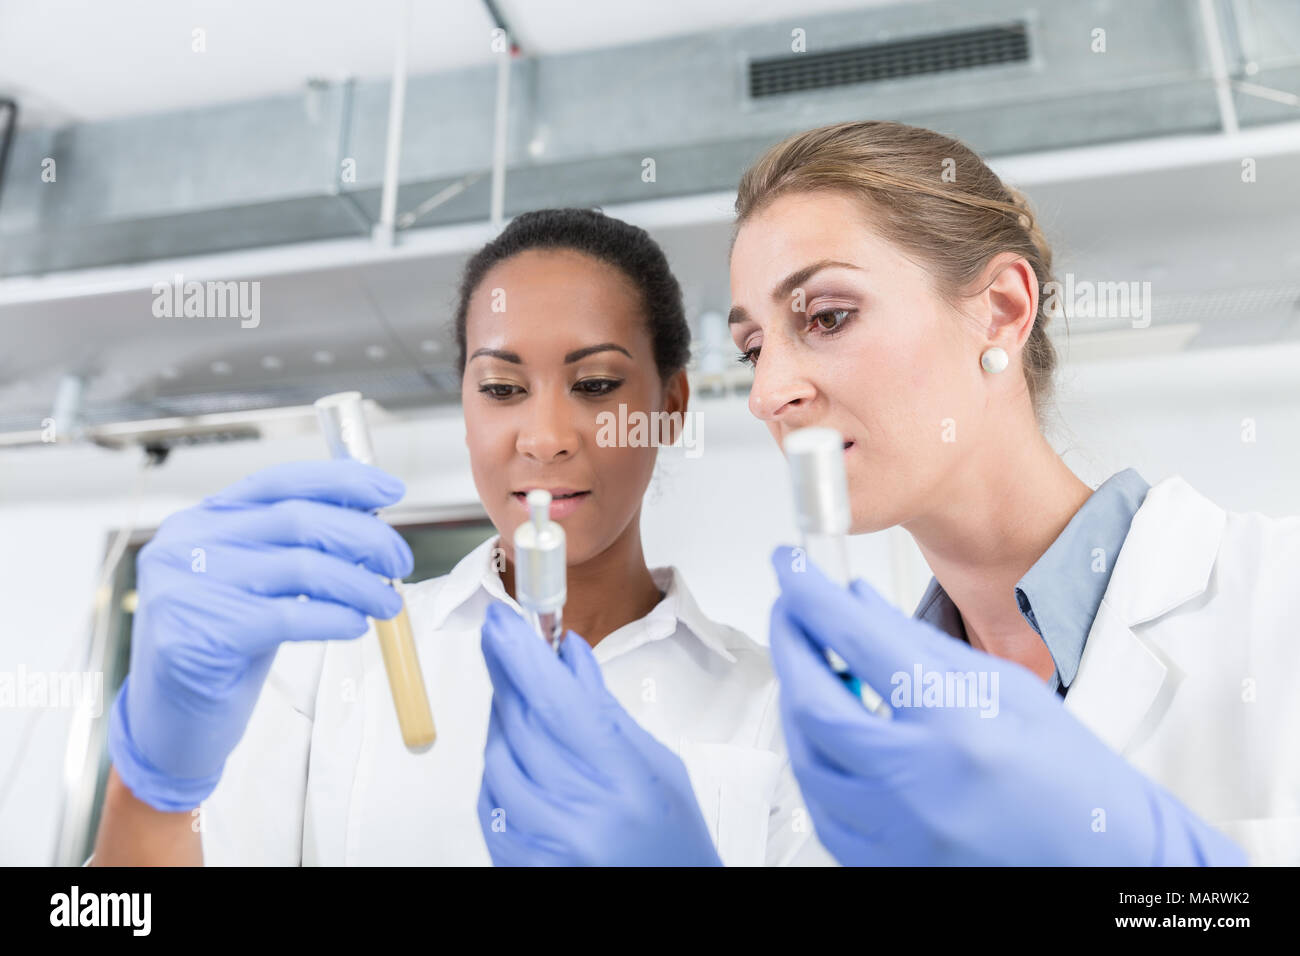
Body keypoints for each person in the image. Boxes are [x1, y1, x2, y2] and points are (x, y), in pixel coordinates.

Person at [476, 121, 1299, 866]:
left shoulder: (1274, 600)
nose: (767, 393)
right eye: (754, 345)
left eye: (827, 316)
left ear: (1002, 312)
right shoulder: (854, 738)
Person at [89, 208, 829, 867]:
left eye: (597, 384)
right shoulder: (331, 661)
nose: (543, 439)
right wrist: (152, 780)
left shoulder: (777, 708)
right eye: (503, 389)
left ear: (669, 408)